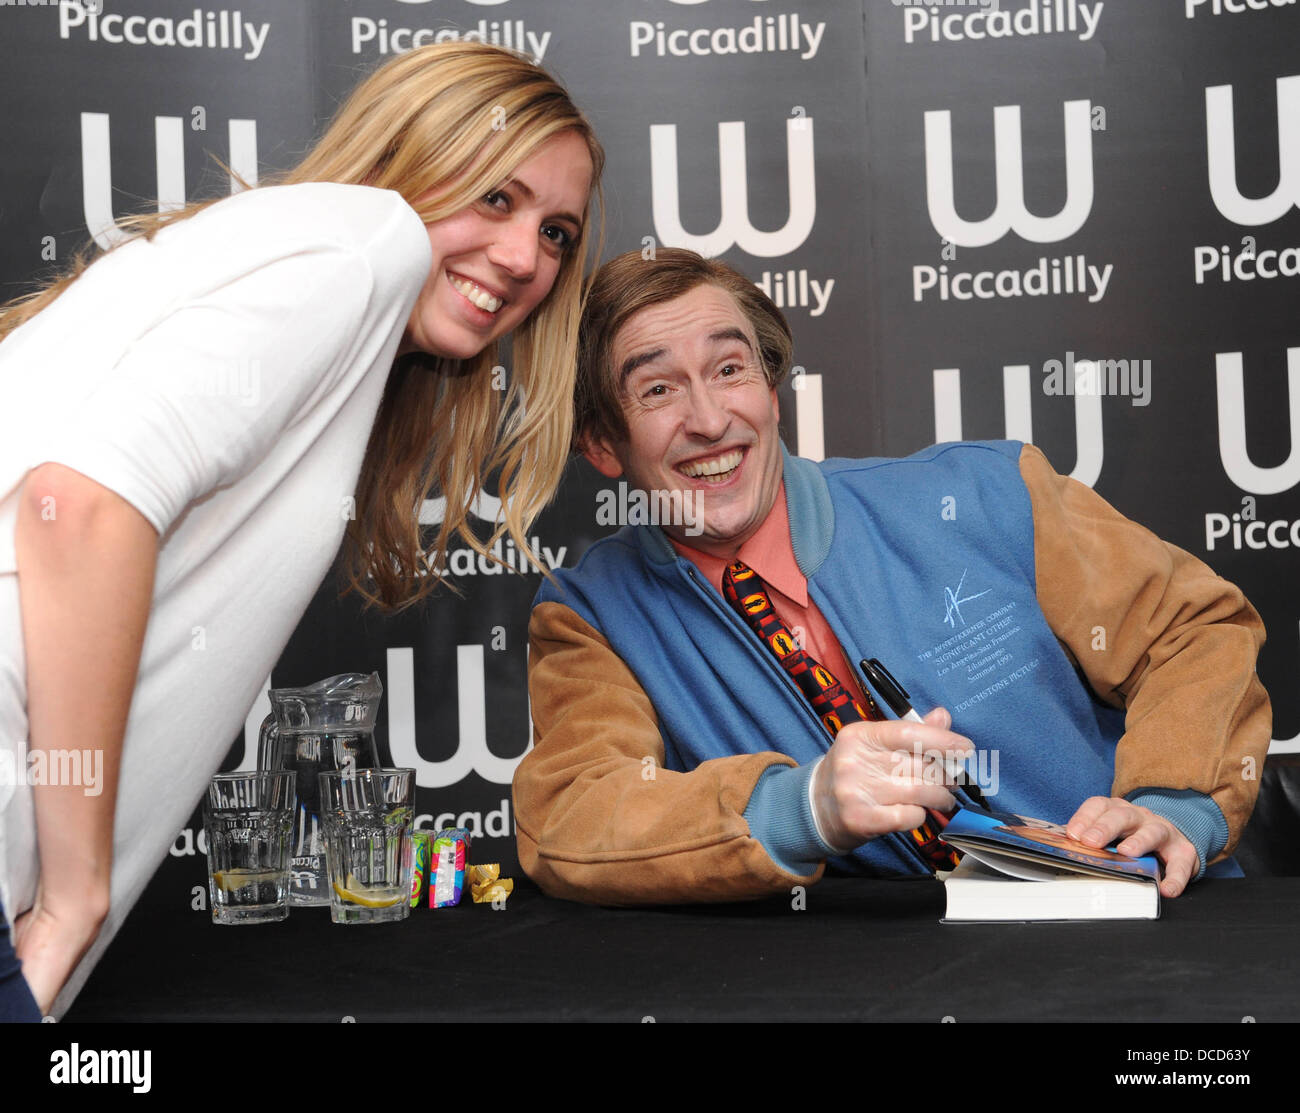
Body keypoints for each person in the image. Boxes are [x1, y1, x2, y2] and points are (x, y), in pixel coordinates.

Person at [0, 42, 604, 1018]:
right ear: (411, 155)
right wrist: (74, 900)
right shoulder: (366, 245)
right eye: (497, 198)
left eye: (559, 232)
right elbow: (79, 508)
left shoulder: (316, 248)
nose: (527, 257)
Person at [513, 248, 1271, 910]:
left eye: (730, 368)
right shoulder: (591, 617)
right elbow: (574, 813)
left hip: (1143, 933)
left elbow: (1193, 627)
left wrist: (1177, 802)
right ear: (601, 443)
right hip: (882, 987)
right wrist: (800, 805)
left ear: (770, 391)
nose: (710, 419)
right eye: (657, 389)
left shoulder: (989, 489)